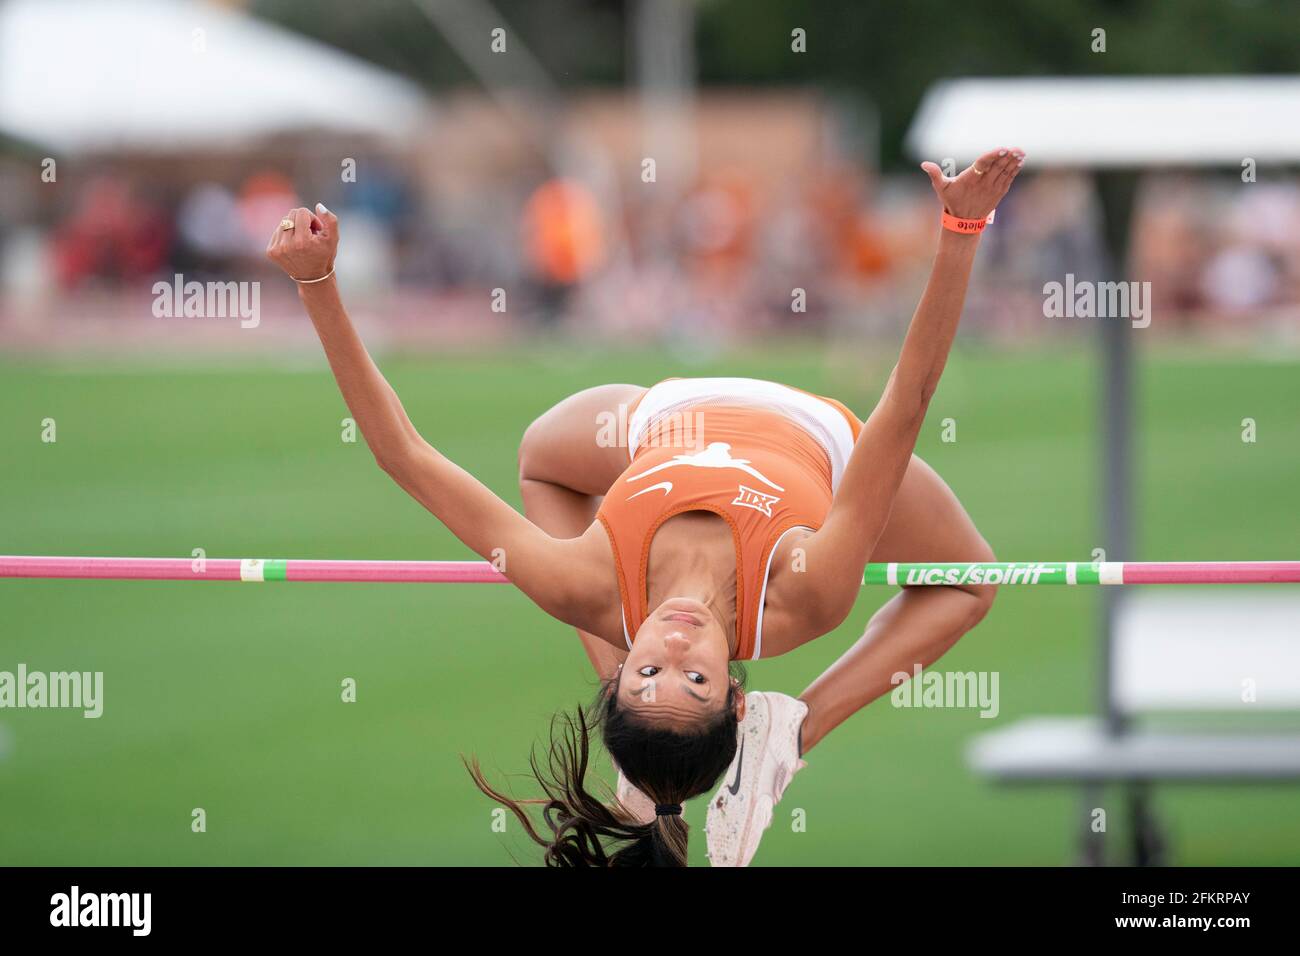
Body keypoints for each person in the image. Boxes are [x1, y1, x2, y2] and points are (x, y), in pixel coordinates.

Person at [266, 146, 1026, 866]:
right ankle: (791, 733)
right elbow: (906, 404)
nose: (674, 649)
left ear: (616, 682)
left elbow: (405, 456)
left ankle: (664, 752)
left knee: (542, 457)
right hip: (827, 437)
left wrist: (317, 285)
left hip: (660, 418)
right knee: (971, 582)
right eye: (694, 681)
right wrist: (960, 233)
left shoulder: (588, 586)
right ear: (734, 698)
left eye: (644, 676)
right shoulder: (803, 591)